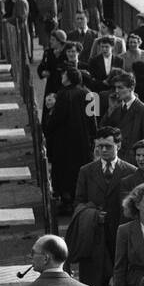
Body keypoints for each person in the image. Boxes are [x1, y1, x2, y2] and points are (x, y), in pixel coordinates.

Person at [69, 128, 136, 286]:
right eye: (99, 147)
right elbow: (78, 202)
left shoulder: (130, 172)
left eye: (108, 146)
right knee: (93, 282)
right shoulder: (86, 171)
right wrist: (93, 214)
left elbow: (134, 205)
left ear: (119, 145)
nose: (103, 150)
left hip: (119, 235)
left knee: (120, 279)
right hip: (93, 235)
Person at [44, 68, 98, 213]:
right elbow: (93, 118)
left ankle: (67, 200)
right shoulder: (90, 94)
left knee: (64, 170)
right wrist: (93, 136)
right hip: (83, 139)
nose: (62, 76)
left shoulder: (63, 94)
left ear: (69, 78)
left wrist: (48, 129)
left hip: (65, 140)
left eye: (64, 74)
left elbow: (57, 117)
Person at [107, 70, 144, 160]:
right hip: (116, 161)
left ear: (131, 88)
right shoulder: (115, 109)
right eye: (115, 88)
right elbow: (103, 131)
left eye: (120, 88)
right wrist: (111, 109)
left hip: (134, 163)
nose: (116, 91)